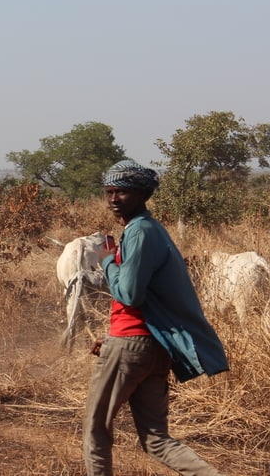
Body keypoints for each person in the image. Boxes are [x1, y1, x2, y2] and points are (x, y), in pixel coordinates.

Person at [83, 159, 229, 476]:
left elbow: (130, 294)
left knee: (96, 432)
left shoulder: (139, 232)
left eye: (121, 192)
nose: (113, 199)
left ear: (142, 193)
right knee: (156, 440)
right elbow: (149, 301)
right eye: (109, 192)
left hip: (130, 346)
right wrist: (112, 338)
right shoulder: (154, 231)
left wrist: (107, 261)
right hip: (154, 346)